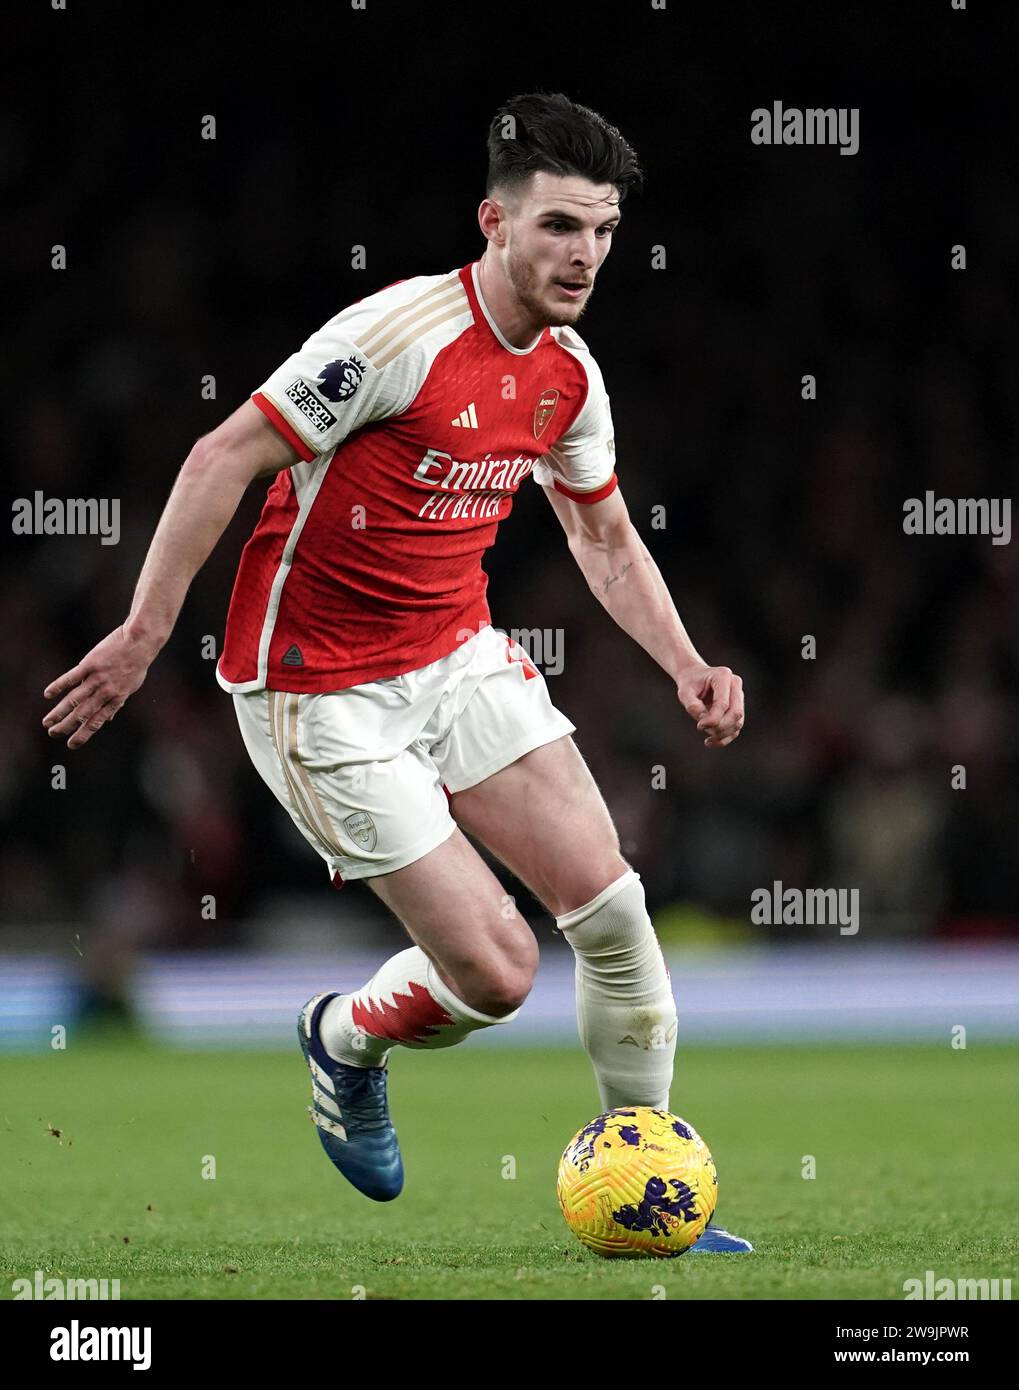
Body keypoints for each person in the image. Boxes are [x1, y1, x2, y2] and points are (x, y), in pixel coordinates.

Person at [42, 92, 750, 1251]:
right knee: (498, 973)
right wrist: (143, 630)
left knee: (613, 909)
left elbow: (604, 537)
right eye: (561, 226)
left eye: (604, 230)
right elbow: (222, 454)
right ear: (494, 222)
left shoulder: (568, 375)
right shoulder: (393, 338)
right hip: (316, 688)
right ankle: (343, 1040)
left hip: (454, 657)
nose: (585, 255)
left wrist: (684, 663)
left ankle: (647, 1176)